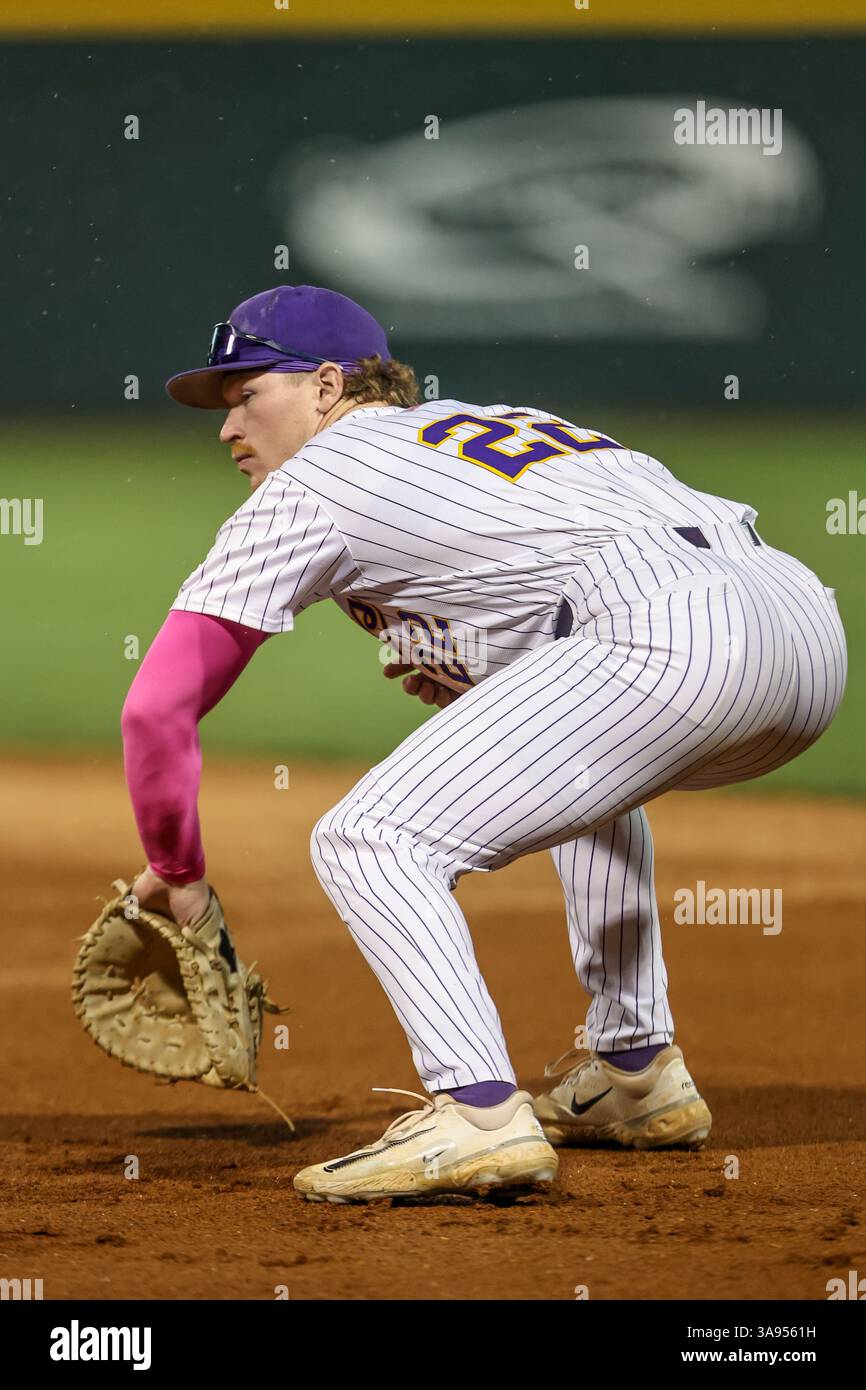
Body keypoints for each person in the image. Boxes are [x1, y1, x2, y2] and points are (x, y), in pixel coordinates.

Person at [121, 284, 847, 1203]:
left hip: (672, 639)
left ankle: (476, 1114)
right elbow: (574, 577)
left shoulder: (319, 475)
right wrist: (501, 674)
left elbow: (156, 709)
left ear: (328, 386)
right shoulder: (489, 423)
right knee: (585, 775)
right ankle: (634, 1067)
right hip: (803, 630)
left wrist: (175, 869)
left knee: (371, 838)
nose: (228, 428)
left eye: (246, 394)